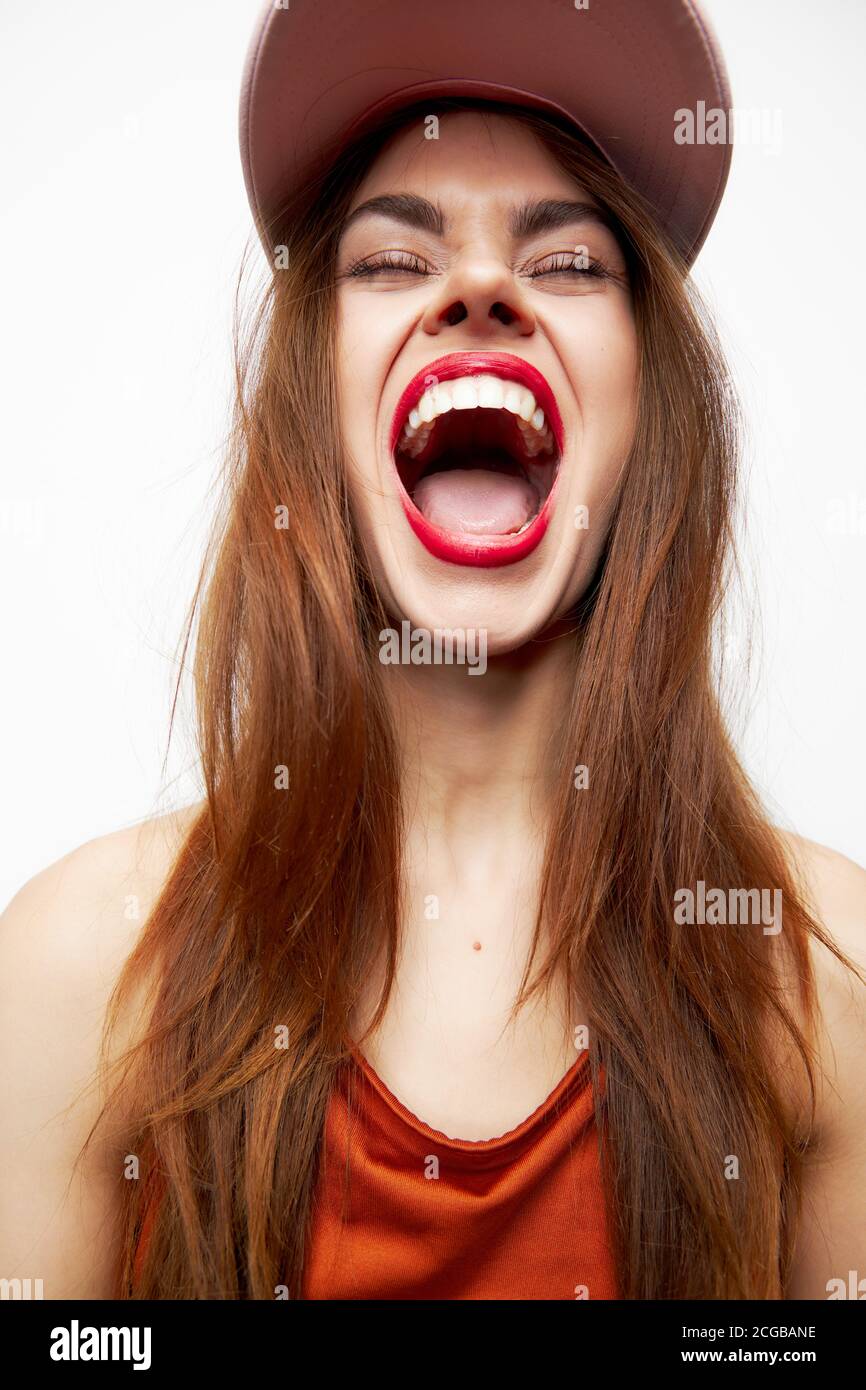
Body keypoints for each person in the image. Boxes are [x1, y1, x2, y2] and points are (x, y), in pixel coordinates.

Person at [1, 0, 864, 1301]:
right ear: (315, 402)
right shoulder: (77, 971)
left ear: (647, 407)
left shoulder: (825, 988)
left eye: (568, 263)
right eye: (392, 263)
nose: (478, 286)